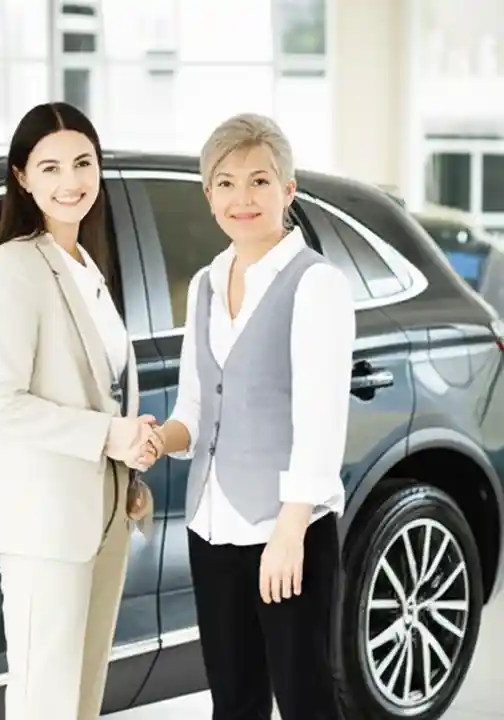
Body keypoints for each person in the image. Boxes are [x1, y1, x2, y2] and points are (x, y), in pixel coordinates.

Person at [143, 113, 353, 720]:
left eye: (259, 181)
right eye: (226, 183)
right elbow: (195, 406)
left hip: (285, 531)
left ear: (288, 192)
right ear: (208, 195)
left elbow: (320, 422)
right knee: (233, 701)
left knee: (306, 696)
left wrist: (291, 533)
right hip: (210, 525)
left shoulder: (317, 285)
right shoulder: (207, 283)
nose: (243, 198)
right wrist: (158, 442)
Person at [0, 101, 157, 720]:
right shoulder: (11, 268)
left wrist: (124, 471)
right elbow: (2, 404)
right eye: (49, 168)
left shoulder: (85, 267)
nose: (70, 181)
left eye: (82, 163)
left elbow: (102, 384)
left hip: (101, 514)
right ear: (21, 177)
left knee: (81, 700)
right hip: (43, 525)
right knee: (44, 701)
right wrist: (110, 436)